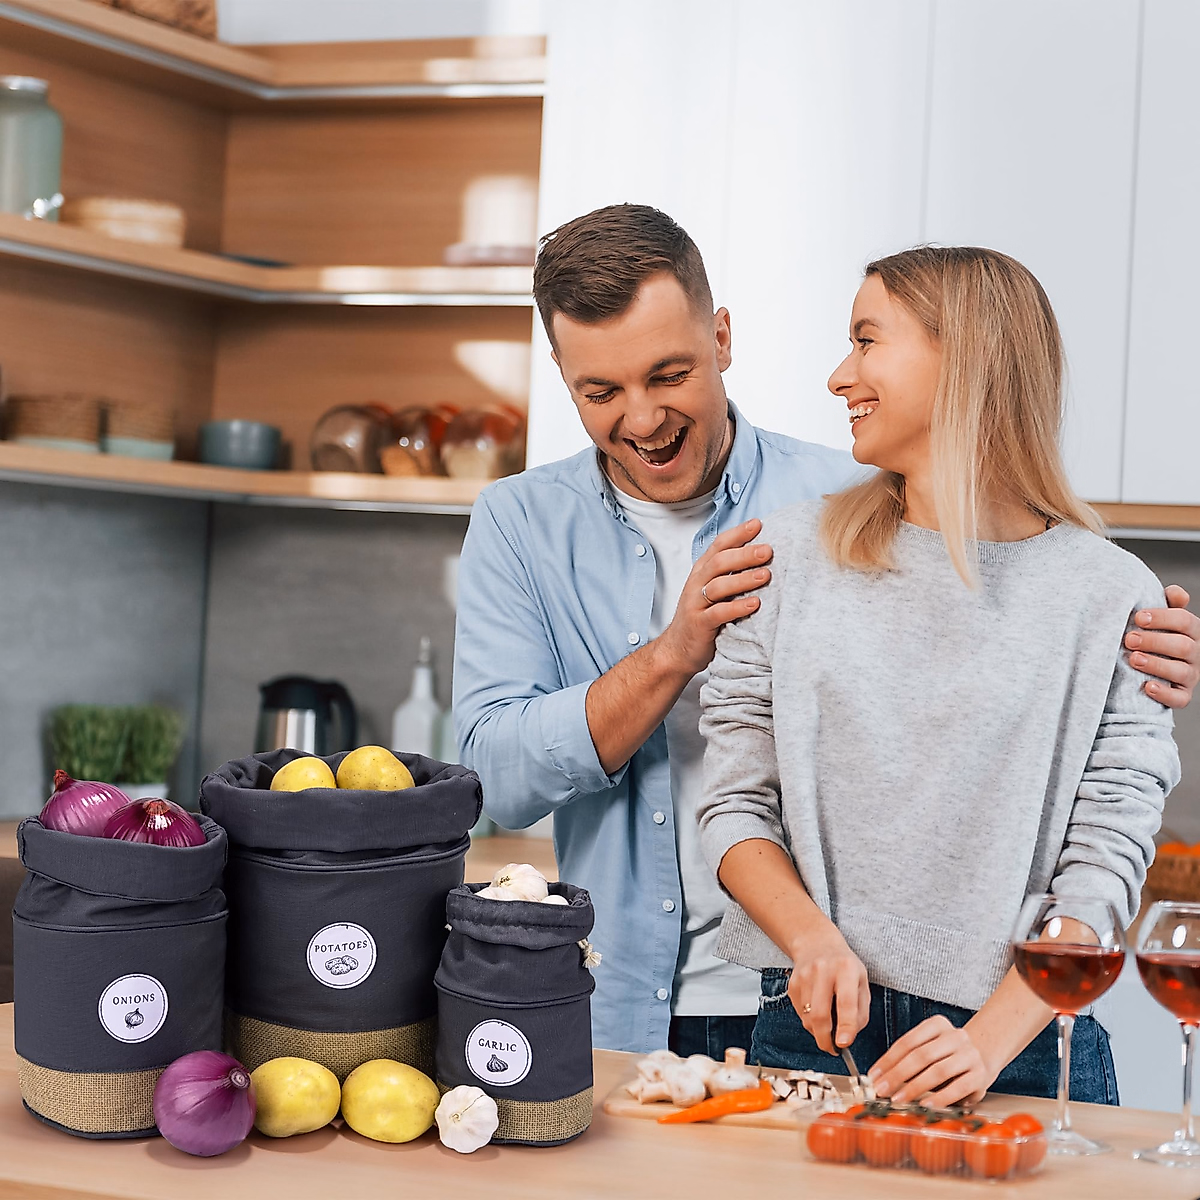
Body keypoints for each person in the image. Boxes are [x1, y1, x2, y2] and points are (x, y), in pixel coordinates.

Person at [452, 205, 1199, 1056]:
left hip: (824, 1000)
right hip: (642, 989)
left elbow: (1021, 649)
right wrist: (670, 657)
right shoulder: (524, 523)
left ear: (722, 338)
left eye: (669, 374)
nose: (643, 417)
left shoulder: (865, 490)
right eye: (600, 391)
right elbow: (491, 781)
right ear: (563, 378)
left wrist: (1135, 650)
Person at [698, 245, 1182, 1105]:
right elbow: (734, 802)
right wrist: (811, 941)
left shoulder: (1110, 596)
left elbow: (1107, 858)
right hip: (809, 1031)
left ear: (966, 355)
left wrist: (987, 1044)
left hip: (1025, 1045)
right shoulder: (787, 559)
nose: (839, 374)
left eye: (866, 339)